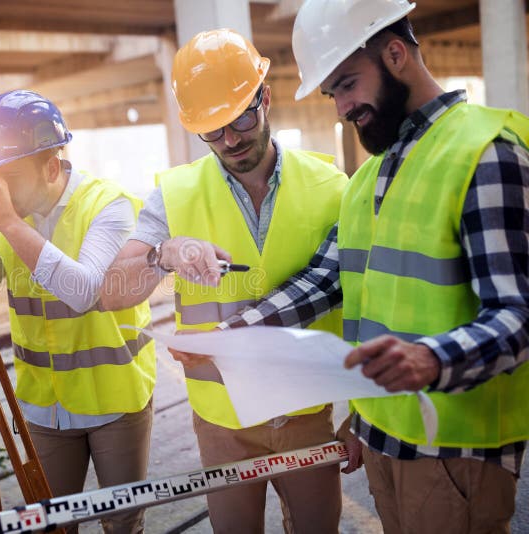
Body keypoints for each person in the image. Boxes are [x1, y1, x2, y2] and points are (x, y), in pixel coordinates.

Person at [185, 1, 529, 532]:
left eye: (347, 84)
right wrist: (234, 336)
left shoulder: (484, 155)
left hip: (456, 448)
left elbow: (518, 315)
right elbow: (325, 278)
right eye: (332, 94)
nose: (342, 108)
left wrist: (432, 359)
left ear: (395, 54)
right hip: (384, 442)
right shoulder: (370, 177)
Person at [100, 29, 348, 533]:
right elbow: (112, 293)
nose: (230, 141)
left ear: (267, 97)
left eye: (240, 119)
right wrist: (161, 254)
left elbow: (361, 299)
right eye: (212, 131)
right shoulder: (174, 194)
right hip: (223, 420)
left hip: (305, 411)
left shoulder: (332, 188)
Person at [0, 90, 156, 533]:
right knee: (51, 526)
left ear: (52, 166)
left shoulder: (109, 206)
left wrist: (8, 223)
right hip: (44, 405)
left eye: (9, 173)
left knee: (122, 524)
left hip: (114, 400)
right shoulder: (0, 217)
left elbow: (83, 290)